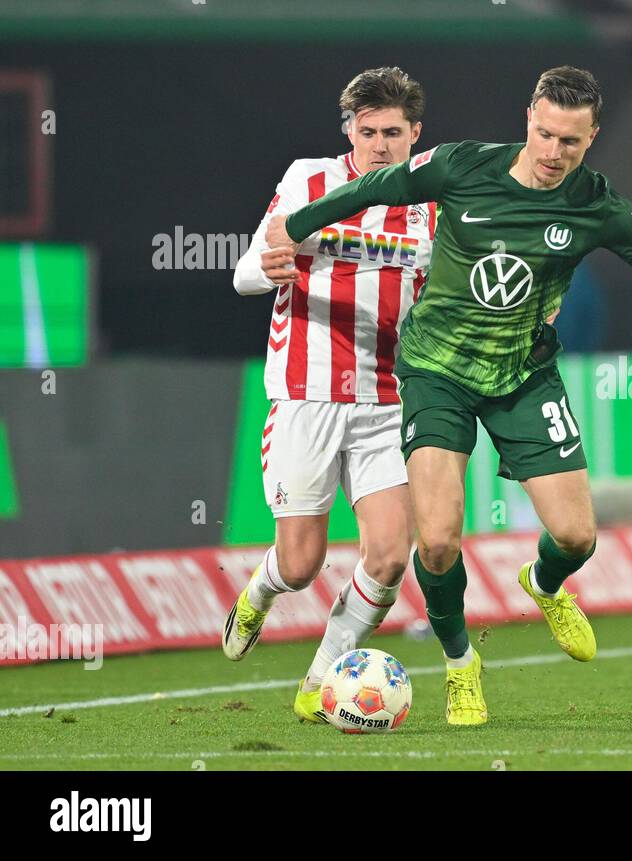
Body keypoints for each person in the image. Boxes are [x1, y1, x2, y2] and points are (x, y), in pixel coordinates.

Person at [265, 66, 632, 726]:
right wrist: (293, 225)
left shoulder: (598, 206)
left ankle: (546, 582)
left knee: (576, 535)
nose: (555, 152)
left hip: (523, 376)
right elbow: (378, 185)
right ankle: (459, 665)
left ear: (591, 138)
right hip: (436, 372)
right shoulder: (462, 167)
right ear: (528, 119)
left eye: (571, 141)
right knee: (439, 541)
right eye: (545, 134)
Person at [224, 67, 436, 724]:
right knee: (301, 560)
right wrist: (268, 265)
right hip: (305, 395)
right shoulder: (306, 180)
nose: (378, 144)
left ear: (415, 134)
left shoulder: (434, 200)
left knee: (390, 552)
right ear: (349, 130)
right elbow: (244, 275)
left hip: (387, 402)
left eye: (392, 133)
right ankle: (259, 591)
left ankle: (321, 677)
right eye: (367, 131)